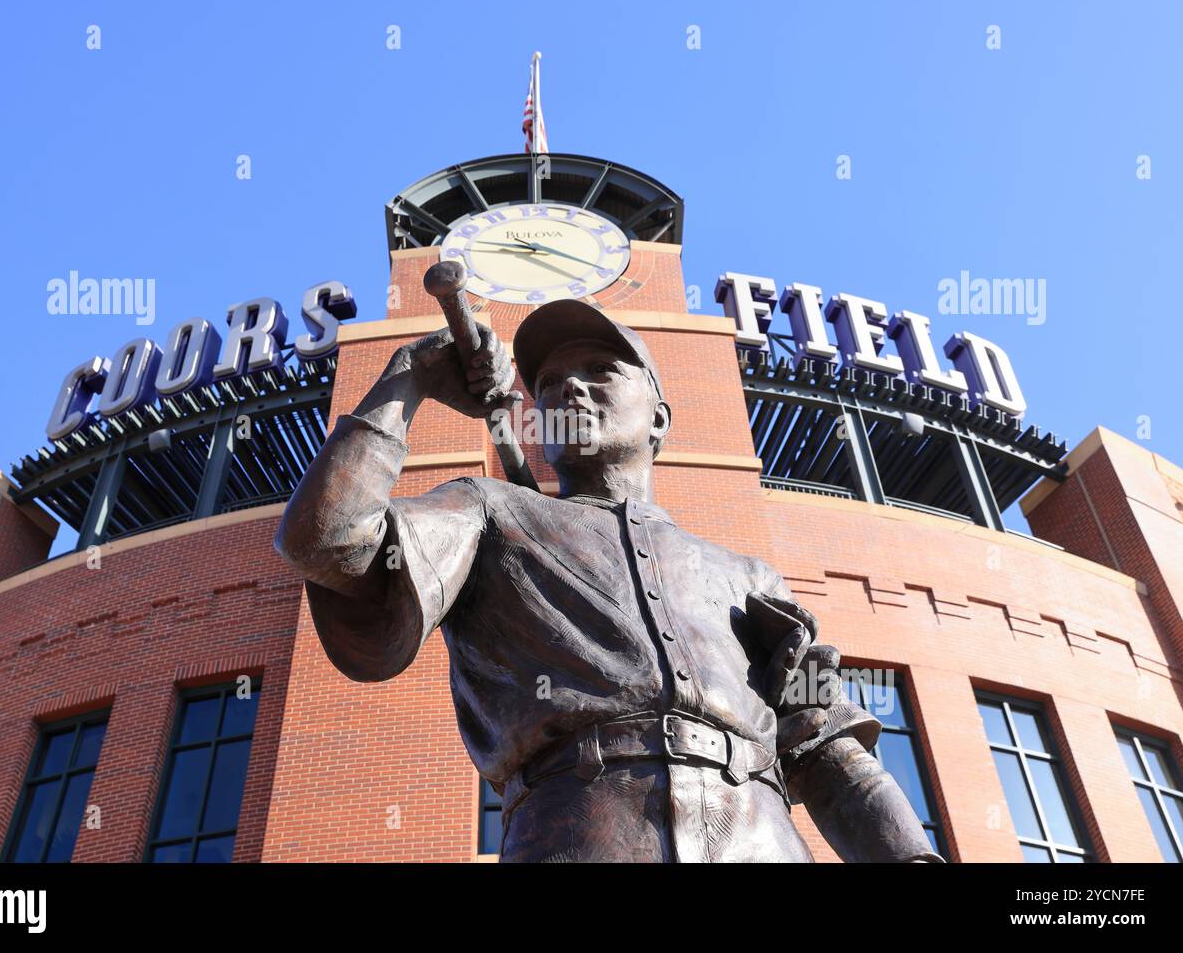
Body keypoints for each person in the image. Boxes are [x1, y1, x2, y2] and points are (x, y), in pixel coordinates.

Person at [276, 298, 942, 863]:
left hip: (761, 839)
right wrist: (410, 378)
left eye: (601, 370)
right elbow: (326, 541)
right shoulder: (490, 512)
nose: (571, 386)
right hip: (578, 833)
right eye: (550, 382)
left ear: (658, 419)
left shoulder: (751, 575)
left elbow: (829, 747)